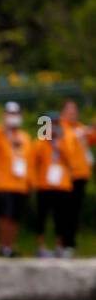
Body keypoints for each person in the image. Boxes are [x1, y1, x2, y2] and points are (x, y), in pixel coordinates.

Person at [0, 102, 31, 258]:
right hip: (3, 184)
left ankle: (11, 246)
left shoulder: (24, 136)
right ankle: (2, 246)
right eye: (10, 114)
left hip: (20, 184)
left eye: (15, 114)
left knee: (15, 217)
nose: (13, 117)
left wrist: (30, 181)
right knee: (4, 215)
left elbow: (28, 159)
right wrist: (4, 128)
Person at [31, 119, 74, 258]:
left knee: (61, 218)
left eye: (56, 124)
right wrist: (45, 138)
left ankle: (59, 246)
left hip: (62, 186)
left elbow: (71, 158)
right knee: (41, 217)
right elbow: (34, 157)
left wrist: (59, 144)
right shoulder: (41, 141)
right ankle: (40, 246)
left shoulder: (65, 140)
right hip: (44, 185)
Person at [58, 101, 92, 258]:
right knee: (63, 211)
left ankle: (70, 244)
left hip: (80, 176)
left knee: (74, 211)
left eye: (75, 110)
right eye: (69, 111)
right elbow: (42, 138)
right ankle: (61, 244)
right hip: (63, 176)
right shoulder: (57, 126)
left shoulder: (81, 128)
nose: (73, 113)